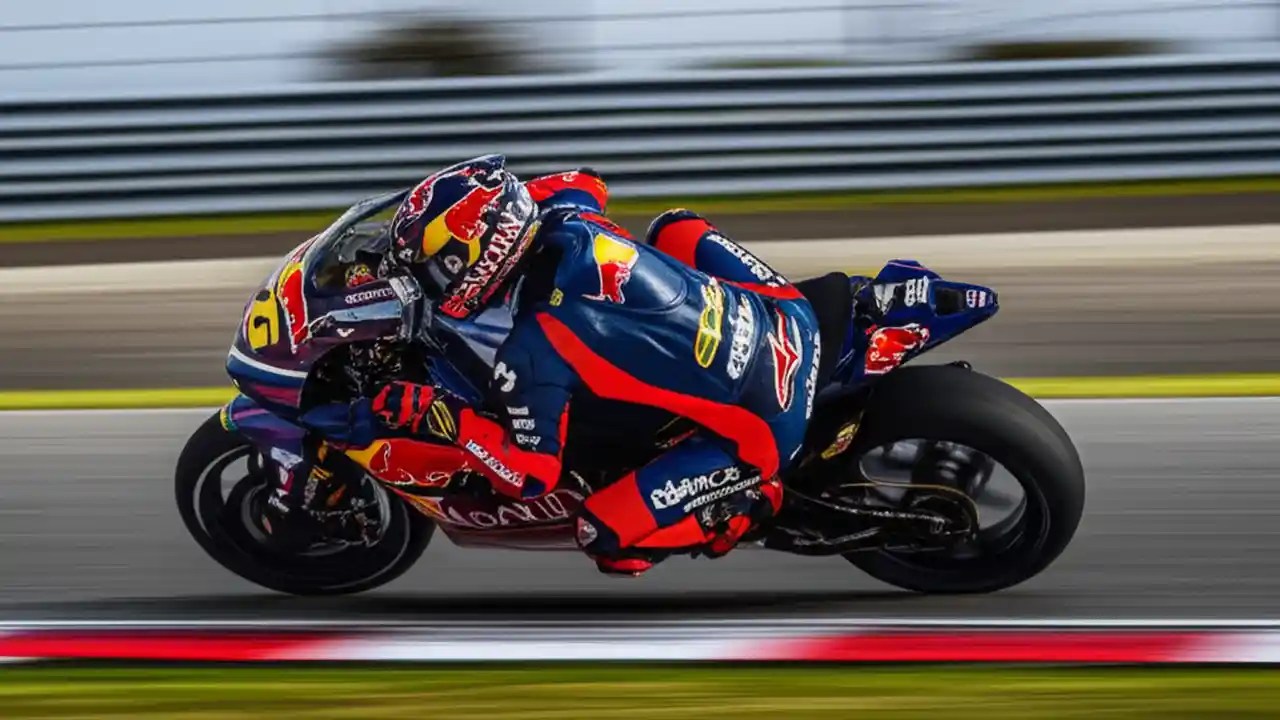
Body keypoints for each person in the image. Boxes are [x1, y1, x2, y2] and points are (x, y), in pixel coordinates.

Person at [267, 154, 821, 576]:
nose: (428, 280)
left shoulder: (534, 349)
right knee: (674, 226)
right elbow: (586, 179)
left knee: (603, 536)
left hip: (761, 425)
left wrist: (445, 417)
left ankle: (751, 504)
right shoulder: (565, 211)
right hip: (786, 316)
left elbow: (531, 477)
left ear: (482, 261)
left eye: (437, 268)